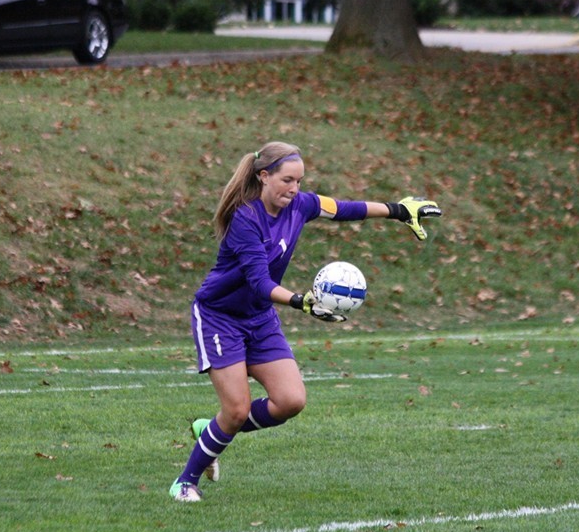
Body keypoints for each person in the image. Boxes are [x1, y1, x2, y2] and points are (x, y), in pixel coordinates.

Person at [169, 142, 442, 502]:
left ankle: (212, 431)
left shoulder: (302, 204)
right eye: (286, 180)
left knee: (290, 400)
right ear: (263, 177)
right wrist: (301, 301)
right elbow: (259, 281)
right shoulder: (245, 219)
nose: (294, 188)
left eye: (298, 181)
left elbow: (345, 209)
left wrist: (396, 210)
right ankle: (185, 482)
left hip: (259, 317)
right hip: (220, 317)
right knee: (235, 409)